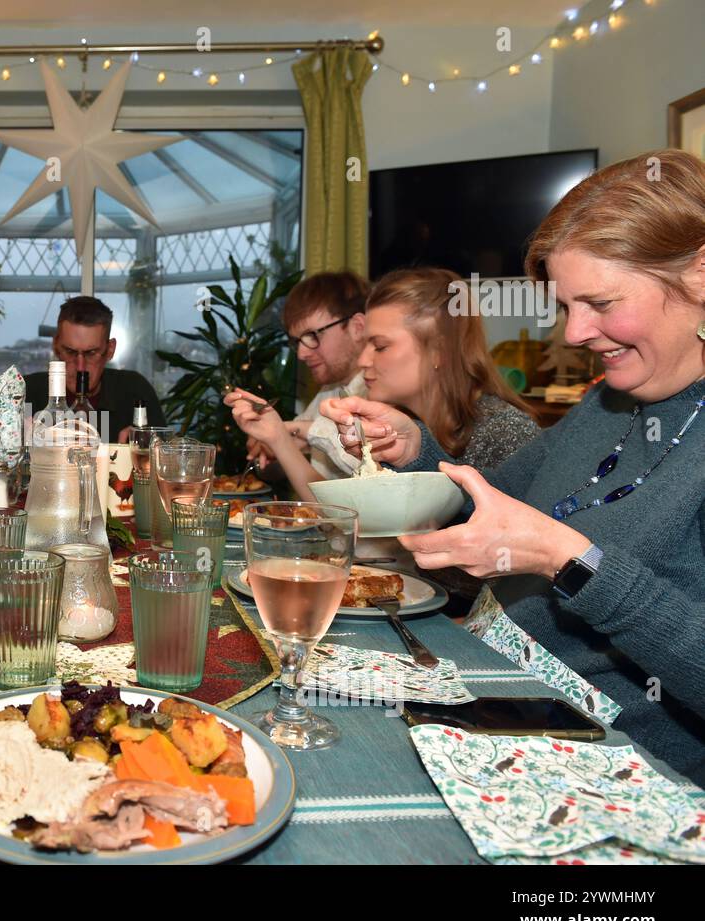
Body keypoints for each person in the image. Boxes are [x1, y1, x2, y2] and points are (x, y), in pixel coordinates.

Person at [322, 150, 705, 786]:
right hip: (480, 694)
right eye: (566, 307)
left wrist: (571, 561)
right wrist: (415, 448)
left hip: (602, 770)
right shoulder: (607, 402)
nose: (577, 333)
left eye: (601, 303)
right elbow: (488, 511)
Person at [227, 267, 539, 500]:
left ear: (439, 352)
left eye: (380, 346)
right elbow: (356, 518)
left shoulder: (504, 432)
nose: (364, 361)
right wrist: (279, 437)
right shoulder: (395, 426)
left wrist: (288, 436)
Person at [244, 270, 370, 482]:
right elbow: (298, 437)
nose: (301, 354)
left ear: (357, 327)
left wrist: (289, 432)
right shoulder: (331, 391)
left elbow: (365, 468)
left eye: (312, 335)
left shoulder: (384, 391)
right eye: (297, 342)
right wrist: (271, 440)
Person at [23, 295, 164, 442]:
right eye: (70, 352)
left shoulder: (134, 390)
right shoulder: (26, 394)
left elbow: (164, 454)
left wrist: (143, 446)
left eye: (91, 353)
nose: (80, 367)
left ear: (110, 350)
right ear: (56, 346)